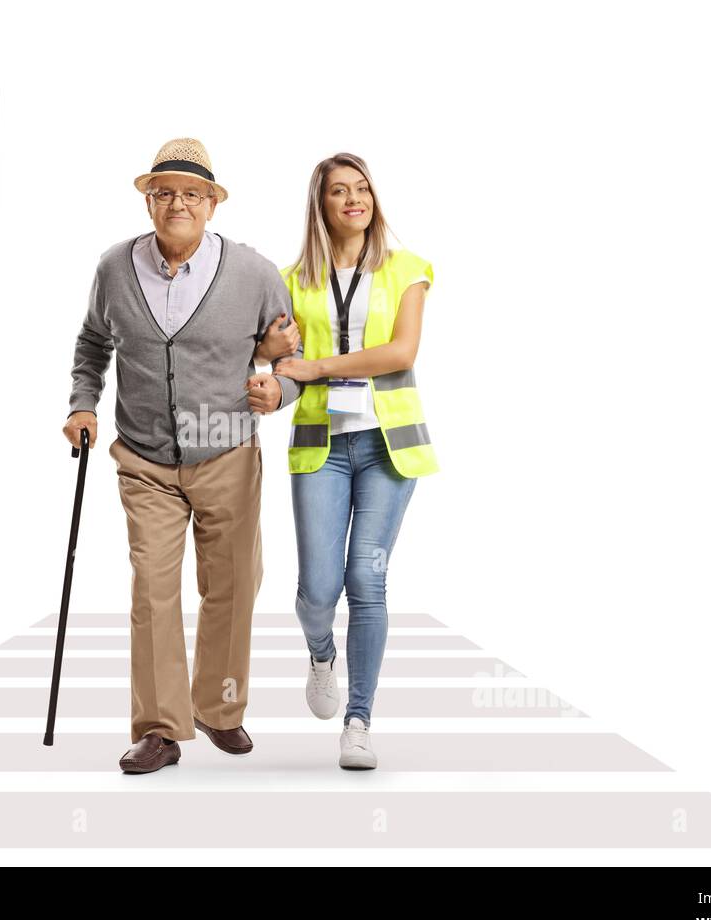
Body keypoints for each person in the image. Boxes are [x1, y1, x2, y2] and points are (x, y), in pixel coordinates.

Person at [65, 137, 305, 774]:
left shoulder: (254, 273)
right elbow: (93, 342)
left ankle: (220, 708)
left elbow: (291, 355)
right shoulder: (115, 267)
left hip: (227, 450)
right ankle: (161, 728)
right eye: (164, 191)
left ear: (211, 206)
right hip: (144, 457)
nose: (178, 203)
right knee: (152, 586)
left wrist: (281, 387)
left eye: (192, 194)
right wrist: (82, 404)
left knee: (231, 587)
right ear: (148, 201)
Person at [255, 152, 438, 770]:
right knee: (317, 589)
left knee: (367, 579)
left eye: (362, 189)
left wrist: (318, 366)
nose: (354, 199)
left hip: (389, 446)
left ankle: (359, 721)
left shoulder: (408, 269)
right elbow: (278, 359)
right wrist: (278, 365)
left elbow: (400, 351)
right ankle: (320, 651)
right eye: (340, 191)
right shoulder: (289, 280)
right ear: (321, 204)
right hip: (322, 446)